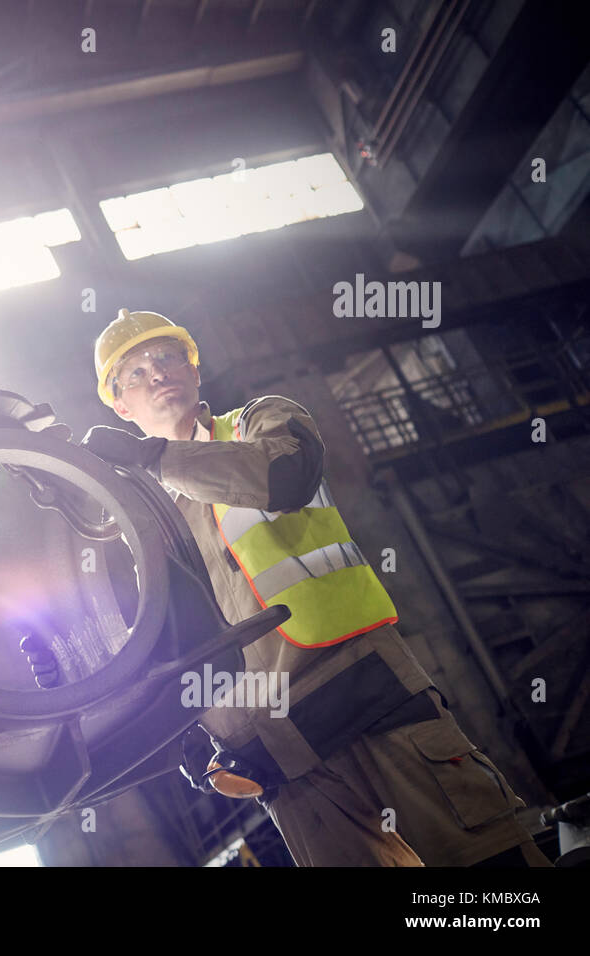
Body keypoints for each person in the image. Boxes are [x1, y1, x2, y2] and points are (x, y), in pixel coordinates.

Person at [80, 309, 550, 867]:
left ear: (194, 368)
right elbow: (168, 639)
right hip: (278, 752)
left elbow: (285, 478)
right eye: (135, 372)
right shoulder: (148, 525)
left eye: (166, 358)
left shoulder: (264, 421)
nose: (156, 374)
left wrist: (153, 460)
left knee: (487, 869)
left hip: (366, 690)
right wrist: (185, 724)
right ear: (120, 407)